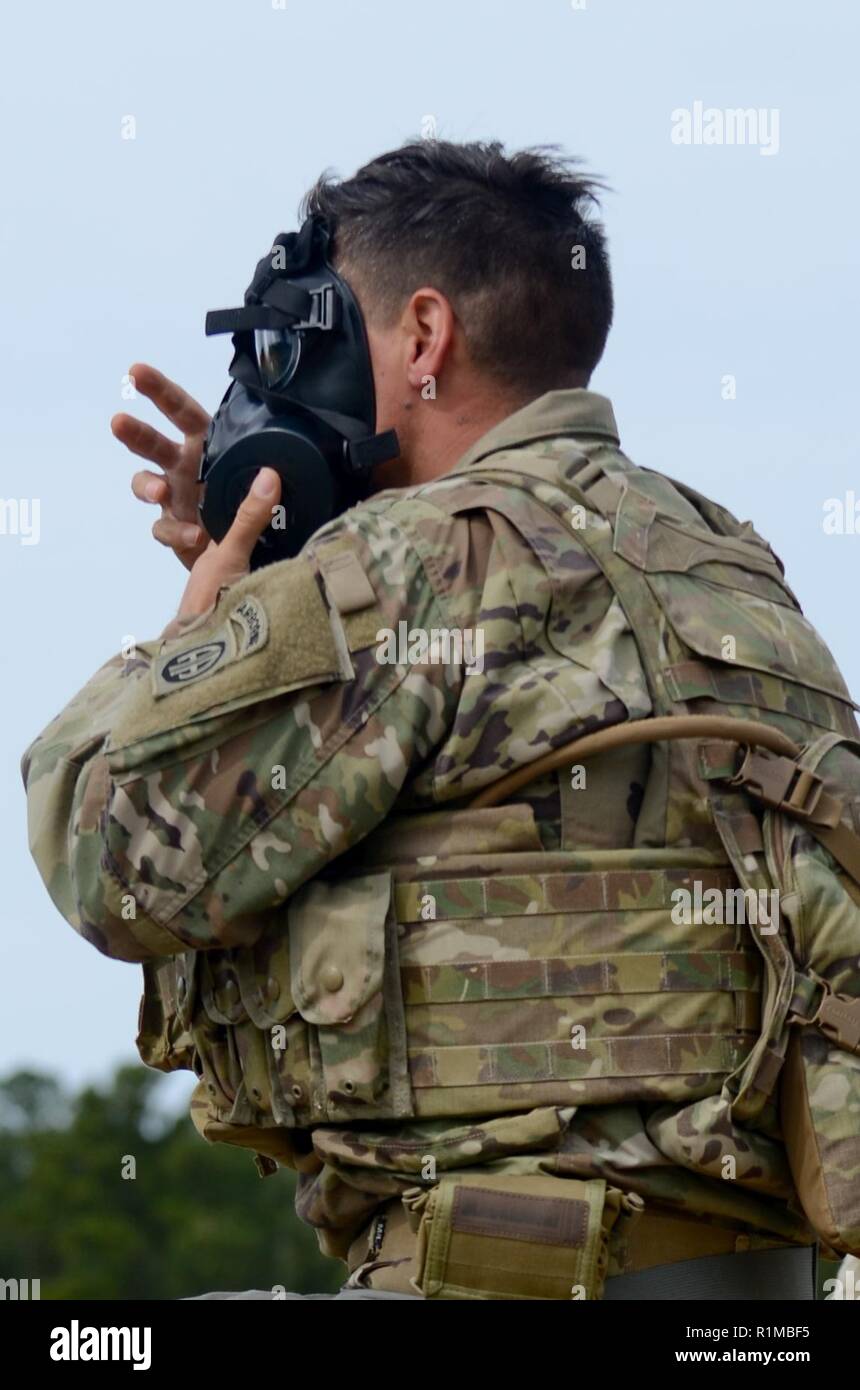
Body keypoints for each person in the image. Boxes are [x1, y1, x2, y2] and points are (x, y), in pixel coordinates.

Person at [22, 140, 860, 1300]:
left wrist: (202, 621)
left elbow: (105, 851)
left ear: (422, 340)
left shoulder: (405, 561)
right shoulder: (737, 574)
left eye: (319, 339)